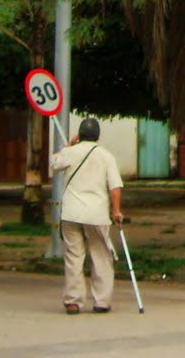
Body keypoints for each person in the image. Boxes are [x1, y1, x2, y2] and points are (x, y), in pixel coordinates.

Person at [48, 118, 125, 315]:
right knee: (101, 256)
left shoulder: (71, 153)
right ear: (98, 136)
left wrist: (68, 145)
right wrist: (116, 210)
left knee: (74, 257)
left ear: (79, 135)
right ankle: (101, 301)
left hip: (72, 214)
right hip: (97, 214)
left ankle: (73, 301)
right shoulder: (106, 156)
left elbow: (54, 163)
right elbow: (115, 187)